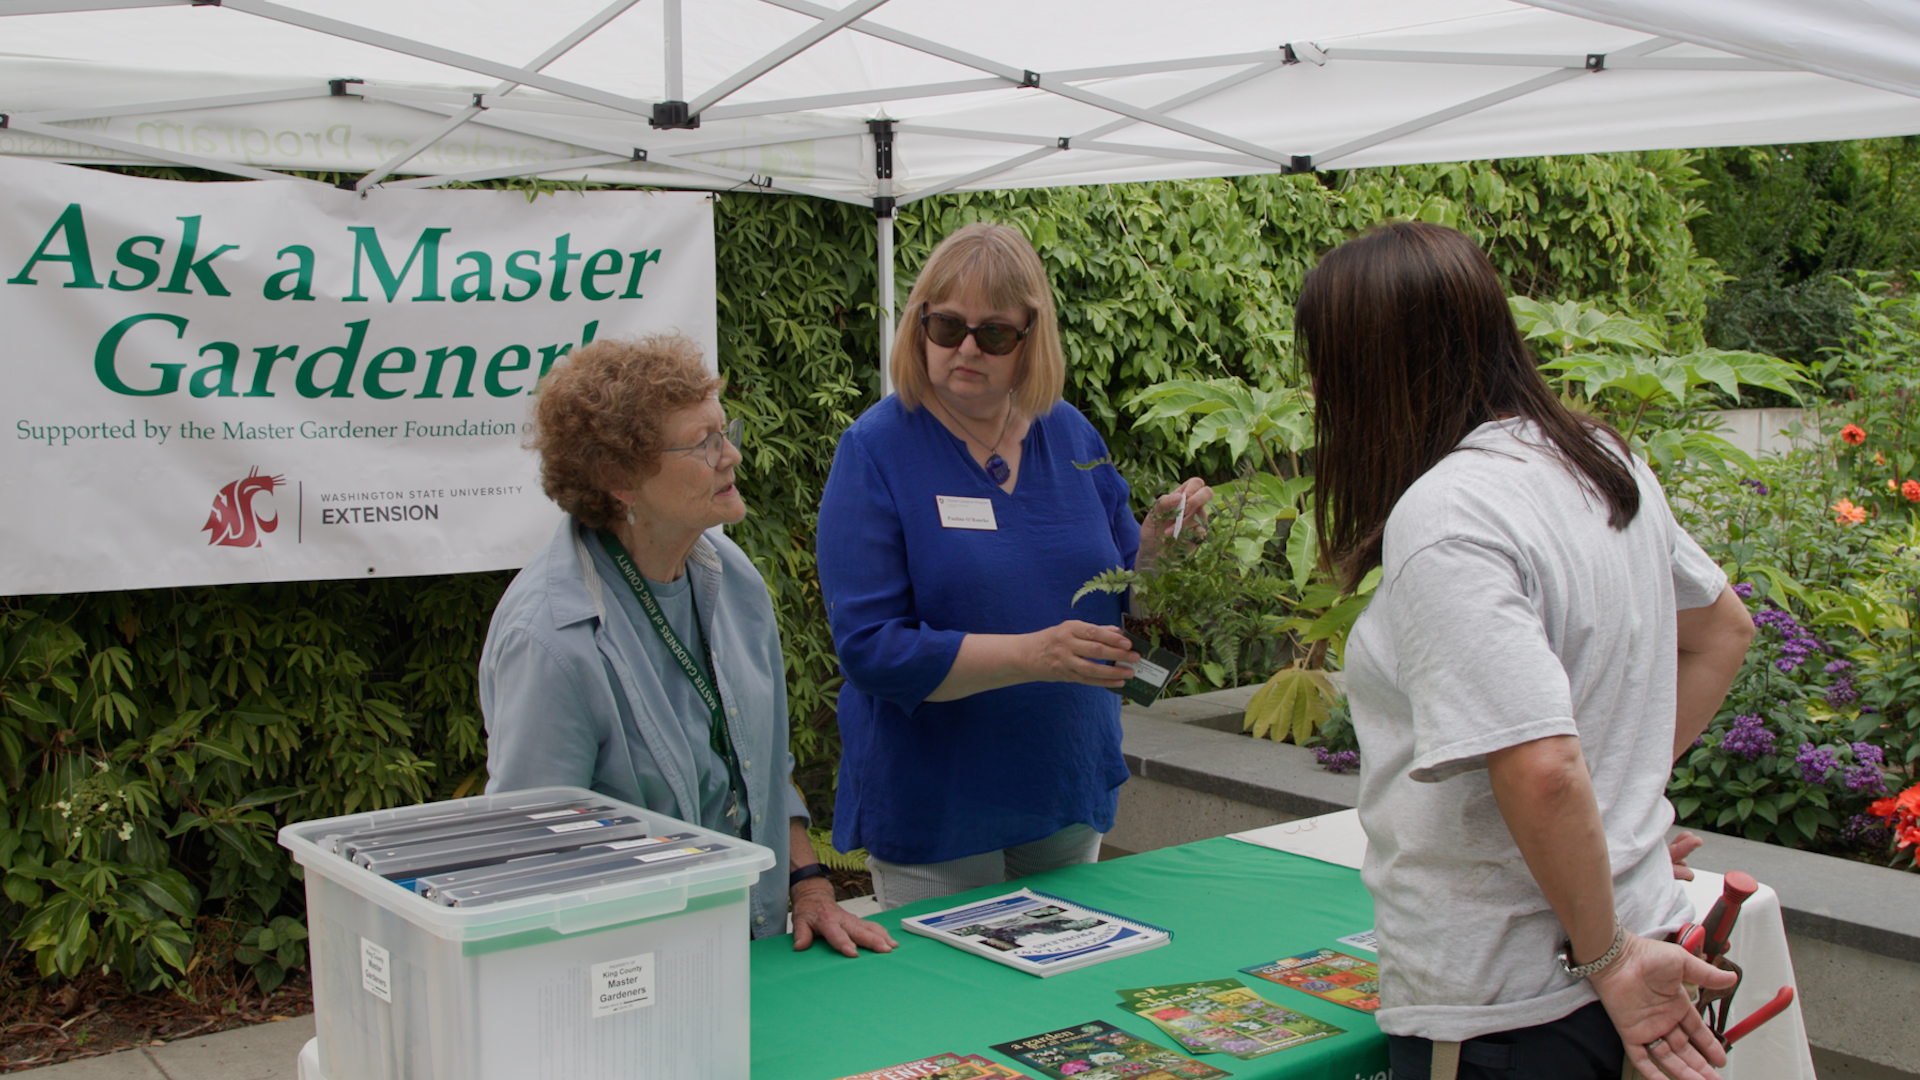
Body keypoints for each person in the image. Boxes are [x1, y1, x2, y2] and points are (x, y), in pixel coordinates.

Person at [1299, 222, 1755, 1080]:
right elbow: (1724, 631)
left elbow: (1544, 768)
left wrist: (1606, 956)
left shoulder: (1448, 515)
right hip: (1605, 944)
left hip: (1506, 997)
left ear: (1363, 370)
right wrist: (1622, 806)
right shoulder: (1597, 458)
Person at [815, 223, 1210, 910]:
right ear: (918, 328)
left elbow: (1133, 630)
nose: (966, 349)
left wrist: (1155, 560)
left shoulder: (1070, 432)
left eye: (994, 334)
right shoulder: (876, 448)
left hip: (1063, 783)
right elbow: (870, 650)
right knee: (955, 1010)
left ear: (1034, 338)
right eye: (945, 327)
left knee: (1063, 1005)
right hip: (940, 803)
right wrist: (1034, 655)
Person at [479, 333, 894, 958]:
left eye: (724, 432)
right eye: (704, 443)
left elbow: (762, 766)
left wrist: (809, 887)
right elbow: (535, 855)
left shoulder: (733, 580)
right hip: (627, 965)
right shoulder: (550, 640)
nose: (730, 456)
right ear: (620, 480)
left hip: (747, 947)